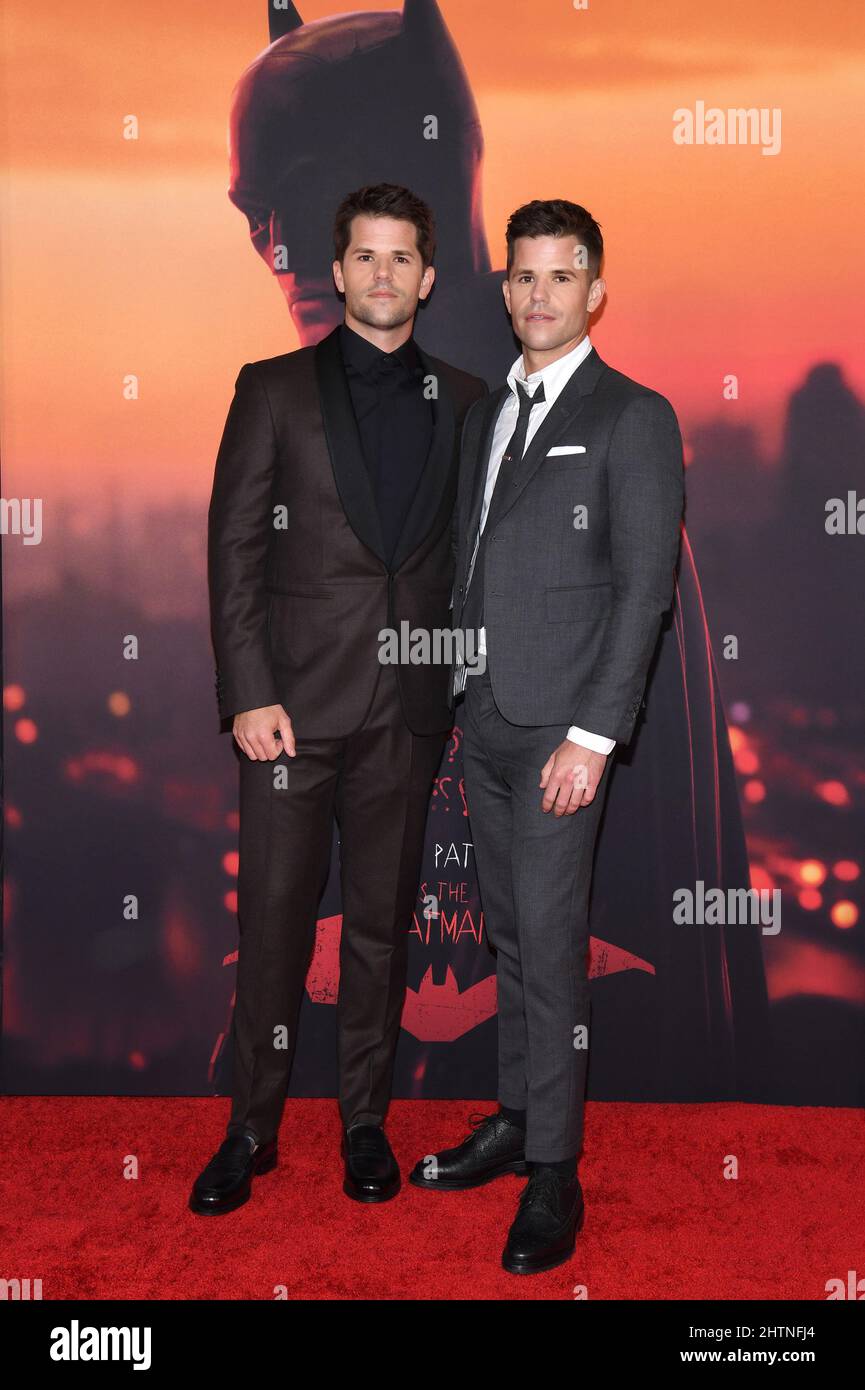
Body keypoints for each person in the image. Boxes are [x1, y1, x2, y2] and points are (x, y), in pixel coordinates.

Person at [191, 183, 486, 1214]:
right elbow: (233, 552)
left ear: (428, 276)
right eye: (365, 256)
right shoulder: (269, 388)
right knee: (271, 924)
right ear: (338, 267)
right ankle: (251, 1129)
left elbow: (472, 559)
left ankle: (364, 1121)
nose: (382, 275)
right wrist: (246, 692)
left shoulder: (467, 400)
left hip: (406, 713)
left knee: (379, 929)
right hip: (289, 713)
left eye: (401, 258)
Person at [410, 199, 685, 1275]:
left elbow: (643, 594)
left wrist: (593, 736)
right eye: (522, 277)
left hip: (562, 734)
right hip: (482, 718)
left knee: (553, 950)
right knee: (514, 941)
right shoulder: (488, 414)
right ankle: (517, 1121)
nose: (536, 296)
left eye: (559, 279)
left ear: (595, 291)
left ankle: (555, 1172)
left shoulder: (635, 416)